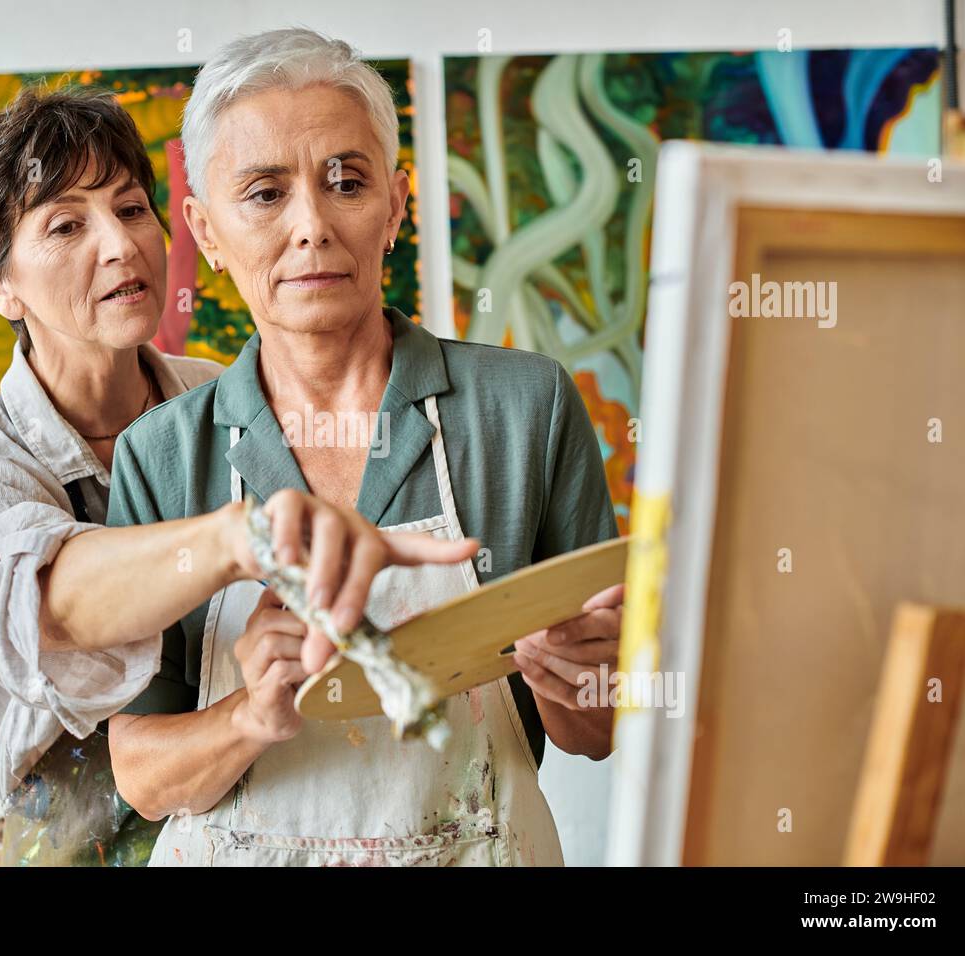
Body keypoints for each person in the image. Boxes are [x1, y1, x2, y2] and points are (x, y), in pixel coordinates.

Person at [0, 85, 472, 865]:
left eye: (132, 208)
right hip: (74, 820)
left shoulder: (220, 398)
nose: (120, 246)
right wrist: (241, 537)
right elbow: (62, 606)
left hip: (248, 780)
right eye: (68, 225)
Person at [105, 28, 625, 866]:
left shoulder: (525, 409)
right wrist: (247, 717)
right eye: (266, 194)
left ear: (397, 201)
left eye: (345, 181)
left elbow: (597, 729)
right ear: (205, 230)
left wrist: (581, 680)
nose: (311, 225)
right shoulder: (162, 456)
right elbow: (140, 773)